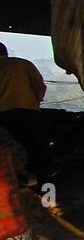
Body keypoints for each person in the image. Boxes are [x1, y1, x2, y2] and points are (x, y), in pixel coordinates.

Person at [0, 41, 50, 183]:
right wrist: (35, 101)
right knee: (37, 148)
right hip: (28, 112)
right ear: (6, 52)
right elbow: (40, 86)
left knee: (7, 150)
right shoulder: (23, 63)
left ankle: (15, 181)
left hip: (2, 115)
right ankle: (42, 182)